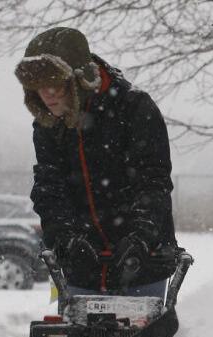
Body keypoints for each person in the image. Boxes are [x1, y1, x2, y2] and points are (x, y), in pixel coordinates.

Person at [15, 27, 178, 297]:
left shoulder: (134, 107)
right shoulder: (48, 123)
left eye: (56, 82)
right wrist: (64, 237)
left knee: (140, 325)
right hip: (82, 269)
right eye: (39, 86)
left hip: (142, 264)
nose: (48, 94)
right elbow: (48, 187)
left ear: (81, 79)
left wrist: (141, 236)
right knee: (75, 326)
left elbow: (153, 181)